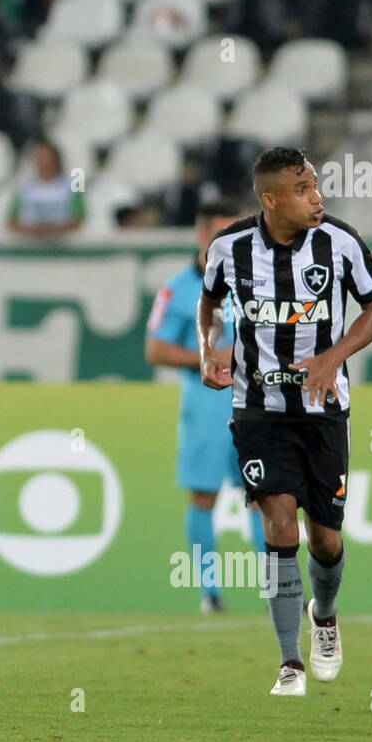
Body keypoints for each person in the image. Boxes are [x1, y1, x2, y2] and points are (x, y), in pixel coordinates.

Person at [198, 146, 372, 697]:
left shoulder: (340, 242)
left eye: (316, 185)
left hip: (324, 412)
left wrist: (333, 357)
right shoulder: (229, 248)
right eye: (304, 189)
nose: (317, 197)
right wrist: (209, 347)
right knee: (279, 527)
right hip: (258, 409)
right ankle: (290, 665)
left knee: (325, 541)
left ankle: (323, 616)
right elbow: (208, 306)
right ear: (271, 199)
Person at [147, 199, 264, 613]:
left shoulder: (259, 281)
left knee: (263, 494)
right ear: (201, 235)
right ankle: (210, 593)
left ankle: (276, 588)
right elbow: (156, 349)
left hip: (259, 403)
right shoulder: (177, 289)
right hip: (206, 408)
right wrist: (208, 358)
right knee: (203, 497)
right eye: (221, 233)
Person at [6, 140, 83, 239]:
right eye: (39, 158)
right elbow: (11, 221)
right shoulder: (23, 187)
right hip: (30, 243)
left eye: (46, 157)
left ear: (56, 159)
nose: (42, 162)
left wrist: (52, 230)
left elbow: (79, 218)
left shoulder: (73, 186)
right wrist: (31, 230)